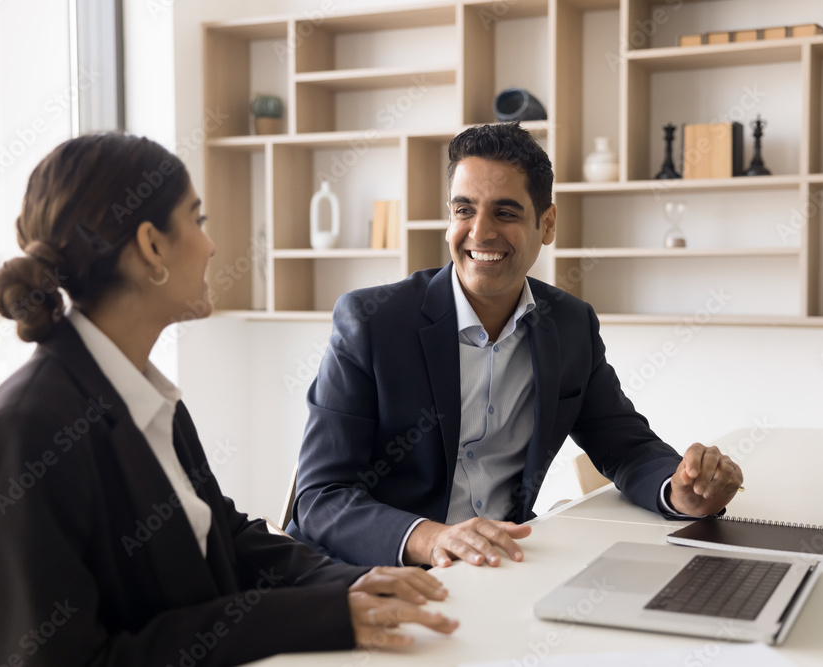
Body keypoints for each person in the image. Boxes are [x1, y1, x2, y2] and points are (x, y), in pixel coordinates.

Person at [0, 133, 456, 667]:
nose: (210, 246)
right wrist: (312, 616)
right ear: (152, 246)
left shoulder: (147, 397)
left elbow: (223, 535)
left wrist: (355, 585)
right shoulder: (26, 430)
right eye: (197, 220)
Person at [287, 122, 744, 568]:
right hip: (369, 572)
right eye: (464, 210)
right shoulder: (372, 322)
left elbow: (625, 445)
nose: (480, 232)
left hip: (496, 569)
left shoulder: (570, 325)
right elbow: (321, 498)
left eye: (505, 213)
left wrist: (679, 491)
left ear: (547, 224)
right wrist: (433, 539)